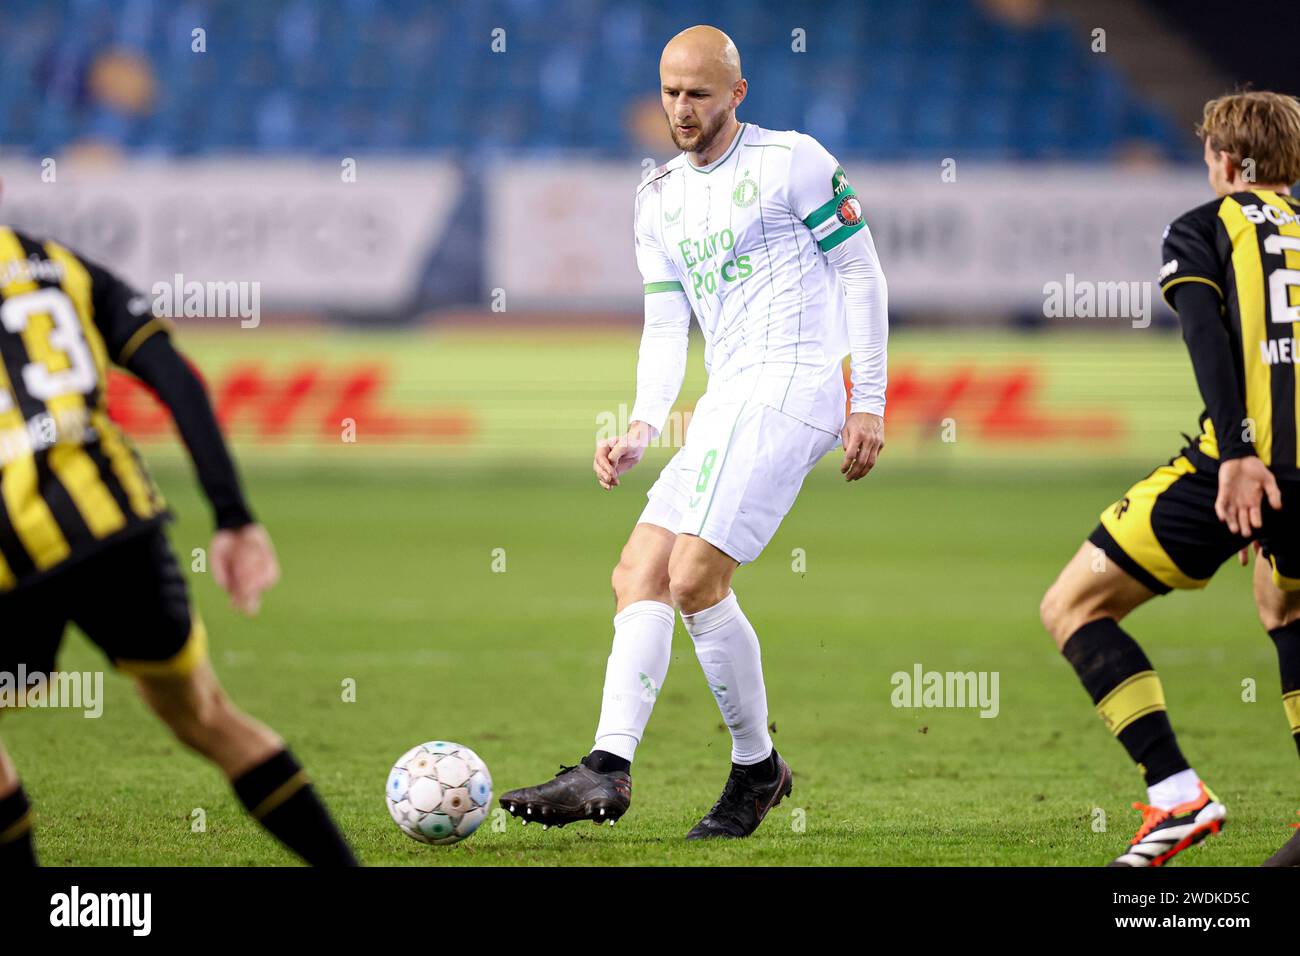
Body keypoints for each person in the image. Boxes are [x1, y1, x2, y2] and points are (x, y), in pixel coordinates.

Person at [499, 25, 888, 839]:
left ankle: (747, 771)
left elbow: (860, 271)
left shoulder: (793, 162)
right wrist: (642, 423)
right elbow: (667, 325)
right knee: (638, 571)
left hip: (798, 384)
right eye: (671, 91)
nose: (681, 107)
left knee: (695, 574)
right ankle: (613, 770)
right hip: (729, 398)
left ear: (736, 94)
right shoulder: (658, 198)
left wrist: (869, 402)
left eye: (698, 93)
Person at [0, 224, 357, 866]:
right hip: (116, 525)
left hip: (8, 555)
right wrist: (233, 517)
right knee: (206, 717)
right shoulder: (59, 265)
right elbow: (176, 378)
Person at [1040, 91, 1300, 867]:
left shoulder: (1201, 226)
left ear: (1224, 162)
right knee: (1284, 605)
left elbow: (1206, 340)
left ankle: (1176, 793)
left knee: (1074, 604)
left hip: (1243, 466)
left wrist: (1242, 456)